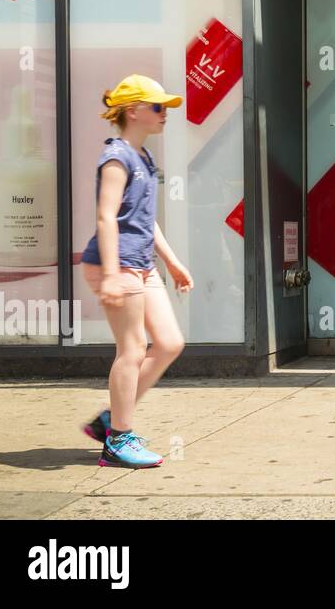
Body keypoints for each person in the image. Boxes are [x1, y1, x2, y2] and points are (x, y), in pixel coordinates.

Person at [79, 75, 192, 468]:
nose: (165, 115)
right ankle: (117, 441)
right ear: (134, 111)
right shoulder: (117, 157)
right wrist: (110, 274)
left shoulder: (143, 157)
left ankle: (112, 418)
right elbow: (106, 217)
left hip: (141, 264)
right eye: (159, 107)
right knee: (132, 350)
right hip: (117, 264)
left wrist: (173, 262)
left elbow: (144, 220)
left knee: (169, 343)